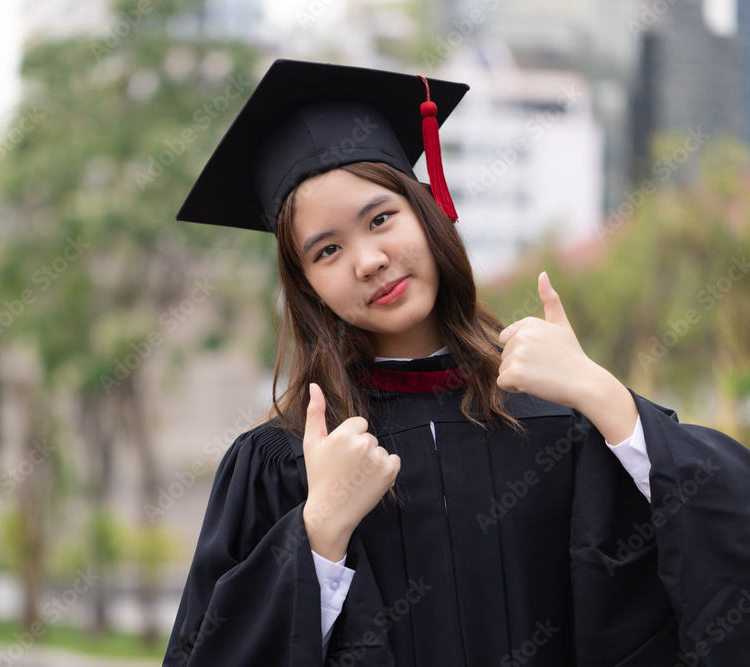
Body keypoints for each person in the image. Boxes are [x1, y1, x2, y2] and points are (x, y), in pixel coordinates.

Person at [163, 59, 750, 666]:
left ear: (429, 209)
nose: (368, 260)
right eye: (328, 250)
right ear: (306, 285)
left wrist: (606, 399)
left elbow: (722, 541)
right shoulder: (284, 462)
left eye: (381, 218)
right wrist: (317, 535)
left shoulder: (565, 418)